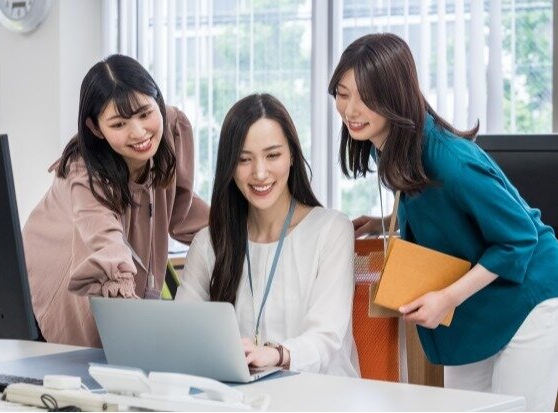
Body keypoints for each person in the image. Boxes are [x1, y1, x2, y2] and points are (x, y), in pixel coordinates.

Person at [329, 33, 558, 410]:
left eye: (366, 97)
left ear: (394, 95)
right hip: (481, 303)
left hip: (529, 296)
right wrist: (382, 221)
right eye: (342, 94)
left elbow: (519, 239)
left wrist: (447, 297)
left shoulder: (450, 162)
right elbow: (439, 209)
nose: (351, 110)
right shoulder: (390, 145)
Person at [23, 54, 209, 347]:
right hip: (56, 276)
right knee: (88, 358)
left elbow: (180, 209)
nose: (139, 132)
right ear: (96, 128)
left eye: (144, 114)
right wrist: (122, 286)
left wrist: (241, 227)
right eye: (119, 124)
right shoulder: (85, 172)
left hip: (117, 267)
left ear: (157, 101)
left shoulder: (171, 130)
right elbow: (104, 239)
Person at [175, 93, 359, 376]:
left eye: (273, 155)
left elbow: (326, 337)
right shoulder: (209, 243)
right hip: (240, 394)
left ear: (292, 155)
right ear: (229, 166)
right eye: (244, 159)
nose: (259, 173)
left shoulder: (332, 230)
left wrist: (275, 354)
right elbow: (182, 329)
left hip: (320, 392)